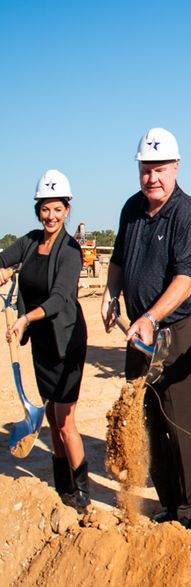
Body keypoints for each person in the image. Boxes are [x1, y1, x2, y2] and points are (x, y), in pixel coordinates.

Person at [103, 129, 191, 527]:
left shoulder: (188, 215)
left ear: (176, 168)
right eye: (146, 169)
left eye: (160, 169)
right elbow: (118, 259)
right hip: (140, 334)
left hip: (180, 331)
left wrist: (150, 317)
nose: (152, 178)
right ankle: (170, 506)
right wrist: (110, 293)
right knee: (148, 423)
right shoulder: (131, 209)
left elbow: (185, 282)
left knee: (185, 429)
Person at [1, 171, 89, 508]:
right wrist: (3, 270)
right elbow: (3, 259)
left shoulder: (71, 251)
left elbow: (59, 299)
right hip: (42, 343)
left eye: (57, 209)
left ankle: (82, 493)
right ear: (38, 209)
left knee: (65, 421)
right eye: (44, 209)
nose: (50, 216)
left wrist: (24, 318)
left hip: (66, 343)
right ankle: (63, 487)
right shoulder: (29, 241)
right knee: (51, 416)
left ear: (67, 209)